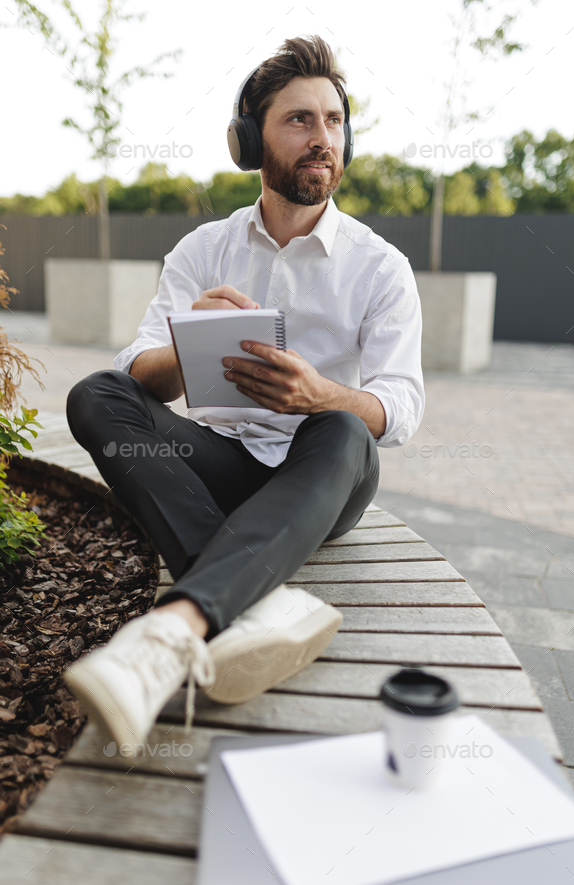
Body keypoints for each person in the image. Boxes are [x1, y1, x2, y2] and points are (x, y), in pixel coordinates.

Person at [63, 34, 425, 754]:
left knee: (343, 429)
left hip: (321, 475)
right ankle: (253, 609)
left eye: (333, 120)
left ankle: (172, 631)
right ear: (248, 139)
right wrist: (189, 346)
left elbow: (400, 408)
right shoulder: (202, 248)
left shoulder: (381, 267)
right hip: (222, 461)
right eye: (299, 120)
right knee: (94, 394)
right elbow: (137, 370)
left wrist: (322, 392)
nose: (323, 139)